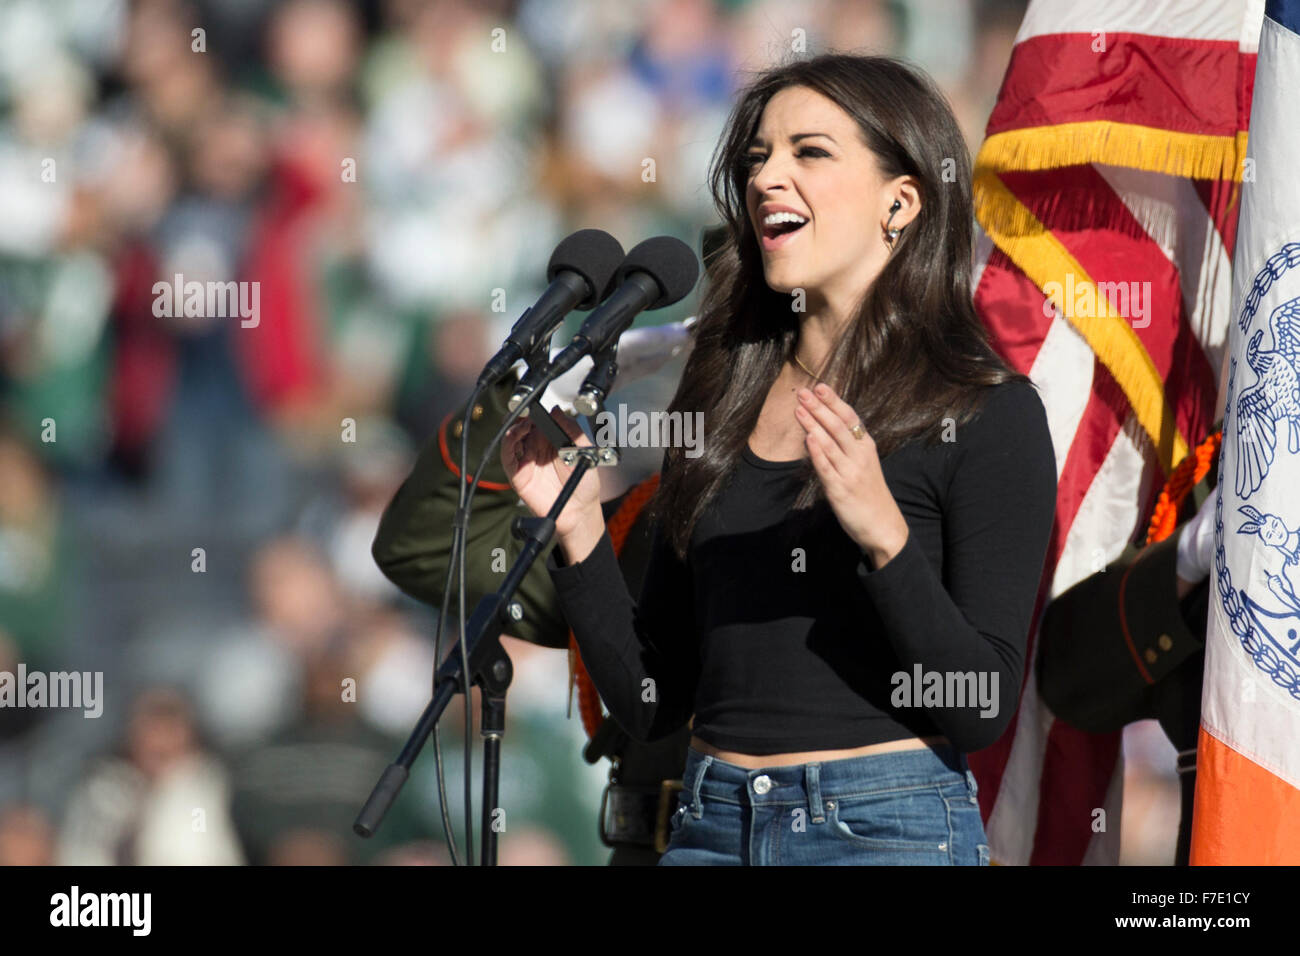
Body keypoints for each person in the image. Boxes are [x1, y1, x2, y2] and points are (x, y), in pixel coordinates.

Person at [502, 53, 1057, 866]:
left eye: (810, 152)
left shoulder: (985, 409)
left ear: (899, 203)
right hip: (707, 826)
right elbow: (653, 705)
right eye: (758, 156)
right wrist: (580, 530)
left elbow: (979, 708)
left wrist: (884, 538)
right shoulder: (718, 390)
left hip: (883, 831)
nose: (769, 177)